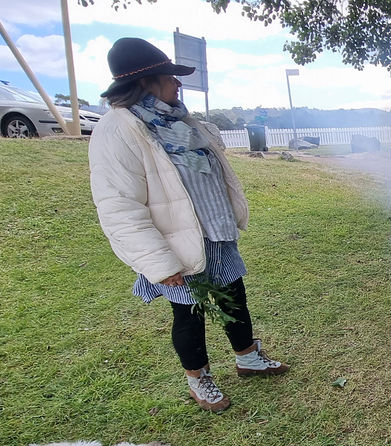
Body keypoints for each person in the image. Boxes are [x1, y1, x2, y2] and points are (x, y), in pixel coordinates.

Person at [89, 37, 288, 412]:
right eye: (170, 77)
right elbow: (118, 206)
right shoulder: (118, 130)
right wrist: (159, 264)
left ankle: (247, 357)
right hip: (176, 243)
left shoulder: (178, 120)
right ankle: (199, 379)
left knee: (234, 297)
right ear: (146, 81)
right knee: (189, 313)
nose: (177, 84)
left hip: (214, 231)